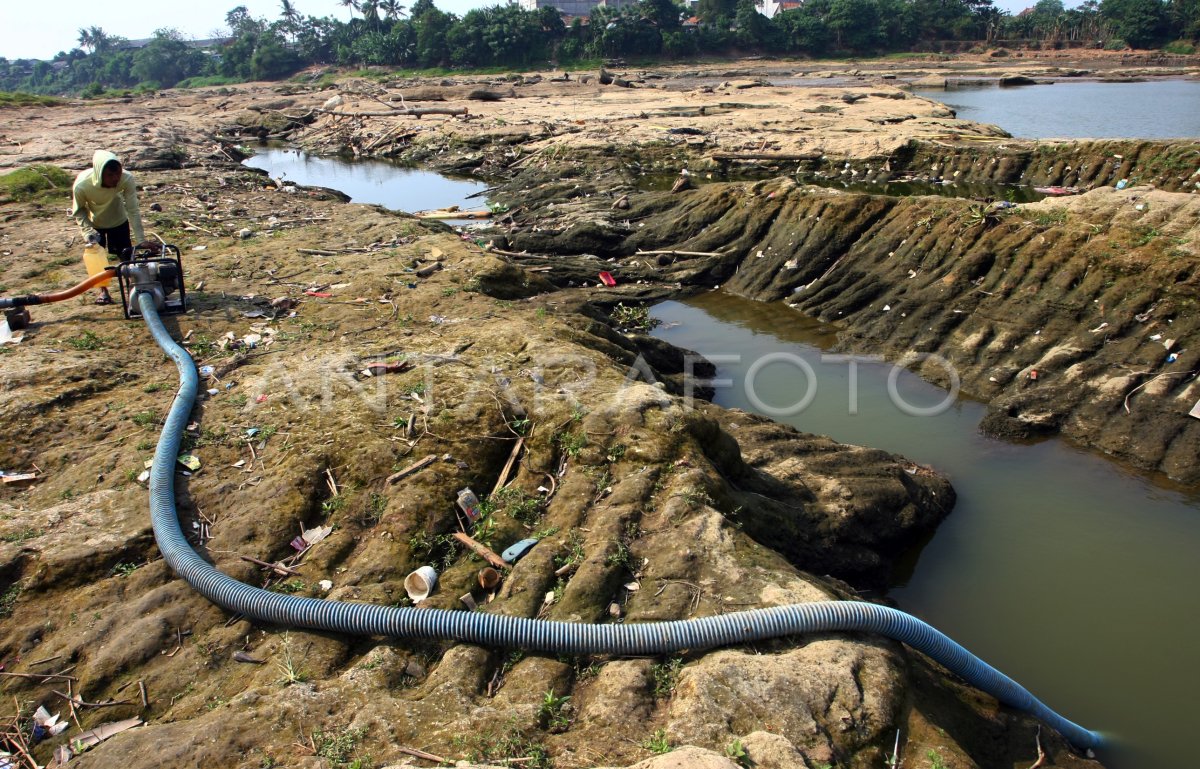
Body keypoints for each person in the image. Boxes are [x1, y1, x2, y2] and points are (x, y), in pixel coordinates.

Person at [71, 150, 146, 304]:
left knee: (126, 256)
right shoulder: (82, 185)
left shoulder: (126, 179)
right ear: (100, 174)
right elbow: (79, 211)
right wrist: (87, 231)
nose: (115, 179)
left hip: (118, 219)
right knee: (96, 258)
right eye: (110, 175)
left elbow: (133, 209)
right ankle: (103, 292)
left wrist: (141, 240)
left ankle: (133, 288)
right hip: (95, 223)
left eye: (117, 174)